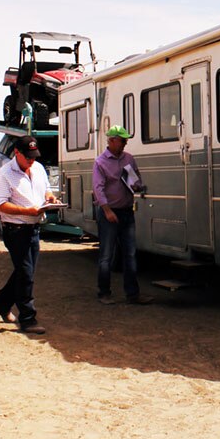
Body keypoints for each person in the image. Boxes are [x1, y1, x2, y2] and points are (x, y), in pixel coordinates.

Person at [0, 135, 57, 334]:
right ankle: (28, 318)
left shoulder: (38, 168)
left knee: (24, 272)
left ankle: (1, 304)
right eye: (27, 157)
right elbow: (0, 204)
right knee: (25, 273)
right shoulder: (3, 174)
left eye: (34, 156)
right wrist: (28, 212)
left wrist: (50, 198)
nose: (31, 160)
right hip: (15, 229)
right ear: (16, 153)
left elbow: (46, 190)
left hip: (33, 228)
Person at [93, 125, 153, 305]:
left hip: (126, 212)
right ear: (111, 141)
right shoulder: (100, 162)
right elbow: (98, 189)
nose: (125, 143)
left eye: (126, 140)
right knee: (106, 255)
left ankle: (133, 294)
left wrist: (137, 186)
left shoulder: (128, 158)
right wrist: (107, 211)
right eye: (122, 140)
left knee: (130, 254)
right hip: (109, 213)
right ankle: (104, 293)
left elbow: (134, 180)